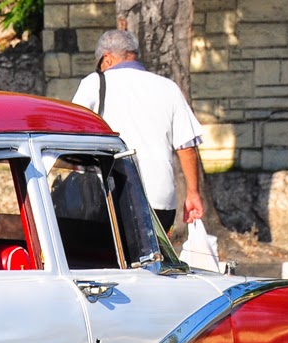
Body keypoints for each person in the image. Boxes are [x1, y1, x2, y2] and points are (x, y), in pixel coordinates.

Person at [71, 28, 205, 230]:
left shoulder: (93, 83)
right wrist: (193, 194)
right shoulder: (168, 87)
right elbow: (187, 147)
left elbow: (71, 135)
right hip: (160, 198)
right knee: (153, 259)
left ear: (106, 59)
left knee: (111, 260)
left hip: (111, 197)